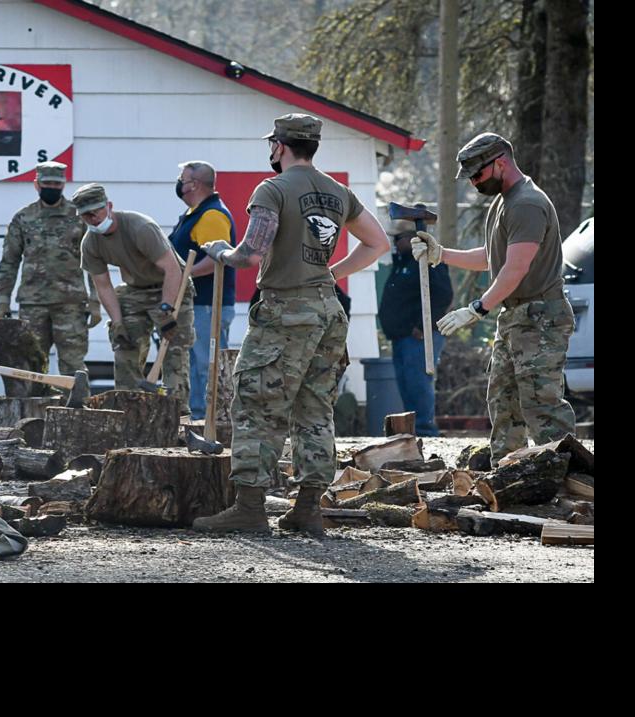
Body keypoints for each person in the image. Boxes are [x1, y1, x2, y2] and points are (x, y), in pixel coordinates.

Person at [191, 114, 390, 537]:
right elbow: (378, 243)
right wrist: (330, 273)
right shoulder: (338, 192)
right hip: (328, 312)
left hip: (285, 313)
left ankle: (249, 507)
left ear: (278, 147)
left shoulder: (273, 188)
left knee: (256, 405)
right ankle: (307, 509)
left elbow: (250, 254)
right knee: (314, 409)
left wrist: (222, 251)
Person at [419, 132, 576, 461]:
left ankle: (566, 479)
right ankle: (509, 477)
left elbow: (515, 269)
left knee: (542, 407)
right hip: (515, 318)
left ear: (500, 163)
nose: (474, 182)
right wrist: (441, 254)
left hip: (540, 319)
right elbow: (493, 258)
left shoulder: (527, 204)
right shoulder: (504, 203)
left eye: (477, 174)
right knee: (504, 405)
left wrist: (477, 308)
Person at [71, 183, 192, 395]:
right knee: (124, 343)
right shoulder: (90, 243)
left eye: (96, 211)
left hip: (170, 286)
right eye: (86, 215)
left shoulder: (140, 228)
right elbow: (104, 286)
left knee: (174, 347)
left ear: (109, 206)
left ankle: (178, 409)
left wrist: (166, 309)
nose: (93, 219)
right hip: (134, 290)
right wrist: (117, 323)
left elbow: (172, 270)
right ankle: (129, 402)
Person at [0, 161, 96, 402]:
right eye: (47, 183)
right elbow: (9, 261)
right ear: (36, 184)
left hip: (70, 303)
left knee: (73, 364)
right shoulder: (23, 218)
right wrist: (2, 301)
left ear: (63, 185)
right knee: (30, 366)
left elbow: (94, 260)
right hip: (32, 303)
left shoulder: (78, 217)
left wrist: (96, 299)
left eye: (56, 184)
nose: (52, 187)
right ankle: (32, 418)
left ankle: (78, 415)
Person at [168, 160, 236, 420]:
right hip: (195, 305)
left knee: (208, 366)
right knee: (196, 365)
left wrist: (181, 275)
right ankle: (198, 419)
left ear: (193, 184)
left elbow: (217, 258)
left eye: (181, 178)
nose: (178, 183)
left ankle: (213, 421)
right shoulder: (195, 213)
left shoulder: (212, 215)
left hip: (207, 304)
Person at [376, 213, 451, 436]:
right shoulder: (403, 263)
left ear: (411, 238)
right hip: (401, 337)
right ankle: (412, 433)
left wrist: (422, 325)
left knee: (418, 384)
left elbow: (443, 294)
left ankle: (426, 432)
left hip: (418, 337)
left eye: (397, 238)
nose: (394, 243)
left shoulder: (427, 259)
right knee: (407, 385)